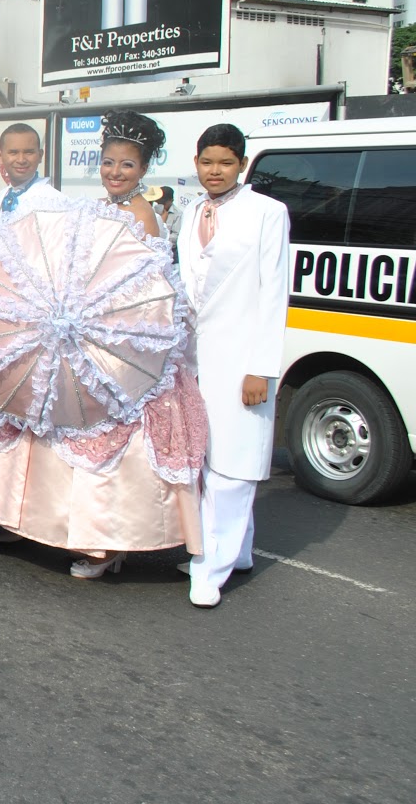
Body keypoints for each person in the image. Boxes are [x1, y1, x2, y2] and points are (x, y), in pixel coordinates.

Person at [0, 110, 205, 579]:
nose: (115, 173)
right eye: (108, 163)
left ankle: (108, 544)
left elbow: (148, 292)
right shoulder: (97, 208)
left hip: (126, 351)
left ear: (143, 171)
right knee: (67, 430)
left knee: (112, 445)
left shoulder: (144, 217)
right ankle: (70, 529)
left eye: (127, 165)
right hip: (86, 342)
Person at [176, 124, 290, 609]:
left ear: (242, 164)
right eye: (207, 162)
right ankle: (234, 551)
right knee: (202, 458)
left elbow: (273, 293)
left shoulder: (268, 212)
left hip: (242, 357)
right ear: (197, 162)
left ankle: (209, 569)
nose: (215, 171)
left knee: (233, 467)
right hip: (197, 357)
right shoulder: (189, 212)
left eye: (225, 162)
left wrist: (261, 369)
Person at [0, 122, 68, 218]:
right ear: (0, 157)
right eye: (13, 153)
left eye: (28, 152)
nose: (21, 160)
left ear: (40, 156)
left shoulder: (53, 200)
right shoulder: (0, 197)